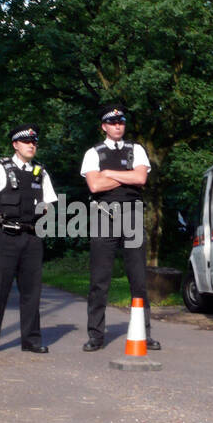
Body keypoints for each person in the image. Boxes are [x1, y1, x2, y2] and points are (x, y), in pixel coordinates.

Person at [80, 103, 161, 352]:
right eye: (112, 123)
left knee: (138, 278)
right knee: (99, 280)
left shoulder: (137, 149)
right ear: (104, 126)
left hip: (132, 216)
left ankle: (143, 334)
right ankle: (96, 335)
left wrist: (108, 174)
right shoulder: (93, 153)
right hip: (104, 217)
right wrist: (124, 174)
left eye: (121, 122)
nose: (118, 126)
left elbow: (141, 178)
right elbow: (94, 186)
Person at [0, 124, 57, 354]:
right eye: (26, 141)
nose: (32, 145)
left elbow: (49, 206)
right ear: (15, 144)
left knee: (32, 292)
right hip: (6, 238)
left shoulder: (41, 173)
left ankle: (31, 341)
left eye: (34, 141)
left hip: (32, 238)